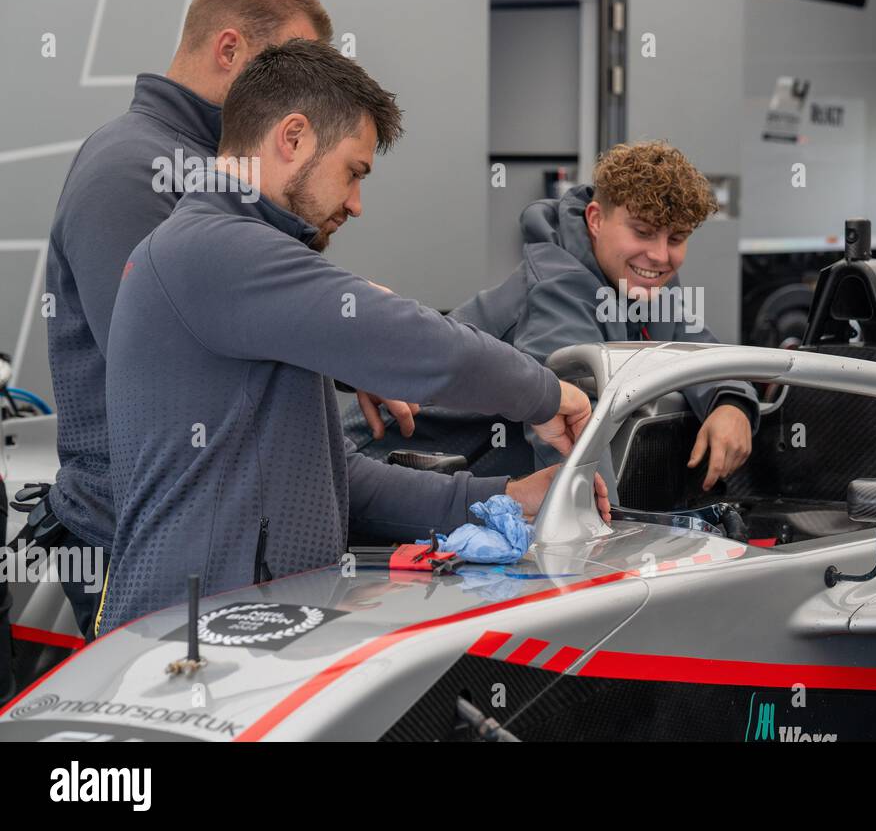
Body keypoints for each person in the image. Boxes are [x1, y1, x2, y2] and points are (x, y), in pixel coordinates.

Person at [98, 39, 606, 633]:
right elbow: (417, 346)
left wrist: (504, 497)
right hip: (191, 643)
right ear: (293, 137)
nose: (357, 204)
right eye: (353, 172)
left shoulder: (233, 258)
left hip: (246, 633)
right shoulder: (212, 247)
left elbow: (338, 480)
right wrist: (548, 395)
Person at [40, 0, 372, 639]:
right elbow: (184, 373)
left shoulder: (227, 180)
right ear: (230, 51)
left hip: (225, 554)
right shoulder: (131, 170)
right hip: (143, 557)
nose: (303, 95)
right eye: (288, 65)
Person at [453, 141, 758, 499]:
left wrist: (731, 402)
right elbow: (572, 431)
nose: (660, 256)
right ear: (596, 219)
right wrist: (608, 536)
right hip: (423, 461)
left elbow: (695, 349)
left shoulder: (644, 278)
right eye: (642, 232)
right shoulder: (556, 288)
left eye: (676, 238)